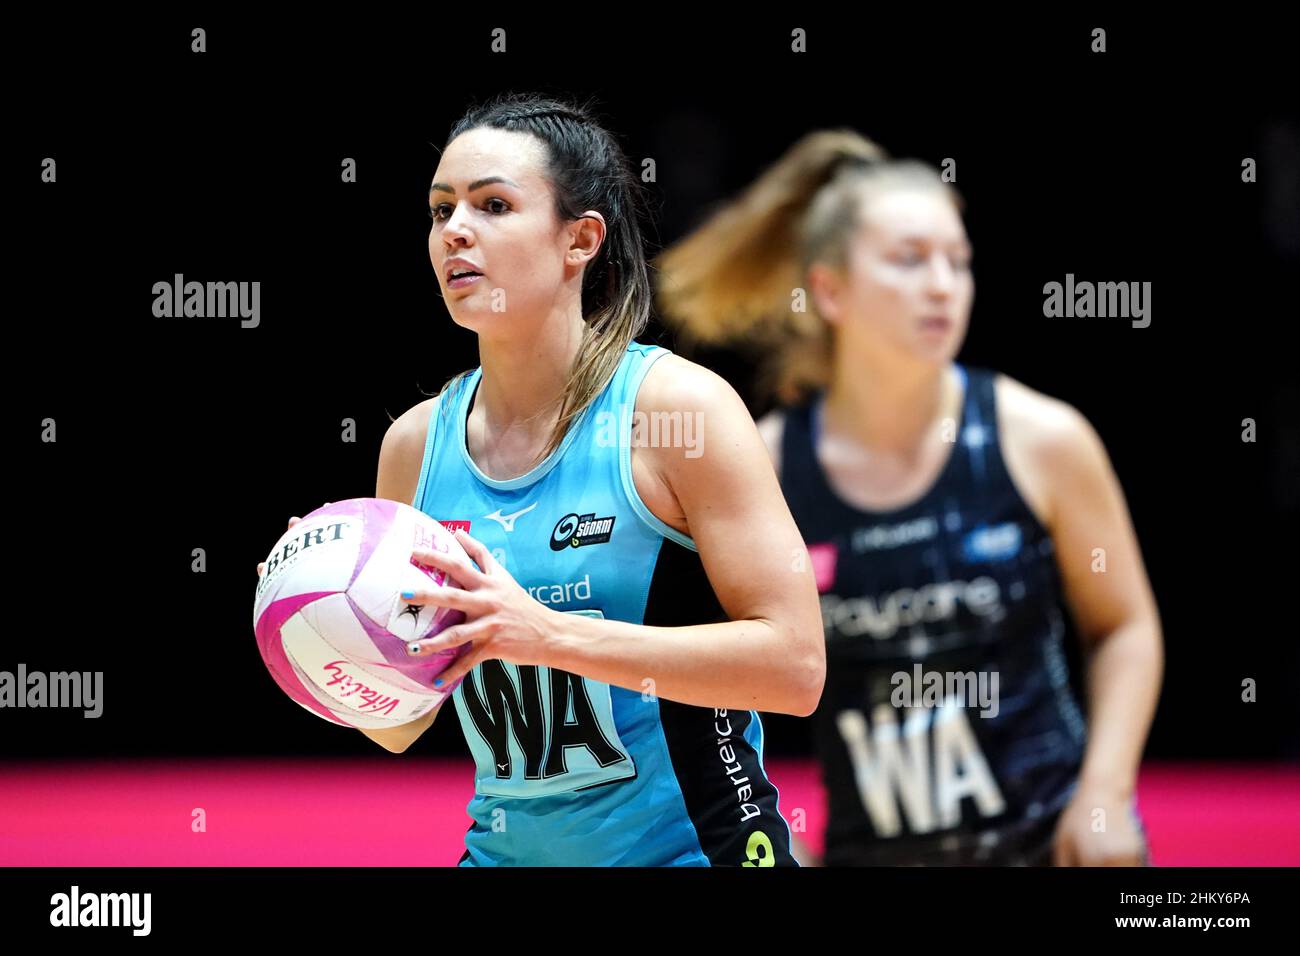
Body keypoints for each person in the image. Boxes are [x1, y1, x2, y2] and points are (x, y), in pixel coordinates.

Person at [260, 95, 824, 867]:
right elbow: (400, 726)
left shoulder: (673, 412)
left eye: (493, 204)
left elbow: (795, 669)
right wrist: (315, 623)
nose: (454, 230)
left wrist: (546, 635)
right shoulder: (414, 445)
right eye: (439, 209)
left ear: (579, 240)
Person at [655, 130, 1163, 866]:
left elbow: (1126, 628)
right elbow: (697, 673)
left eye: (958, 262)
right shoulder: (762, 464)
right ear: (828, 289)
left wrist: (1106, 796)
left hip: (1045, 847)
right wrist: (751, 819)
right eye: (909, 260)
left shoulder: (1042, 440)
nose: (942, 286)